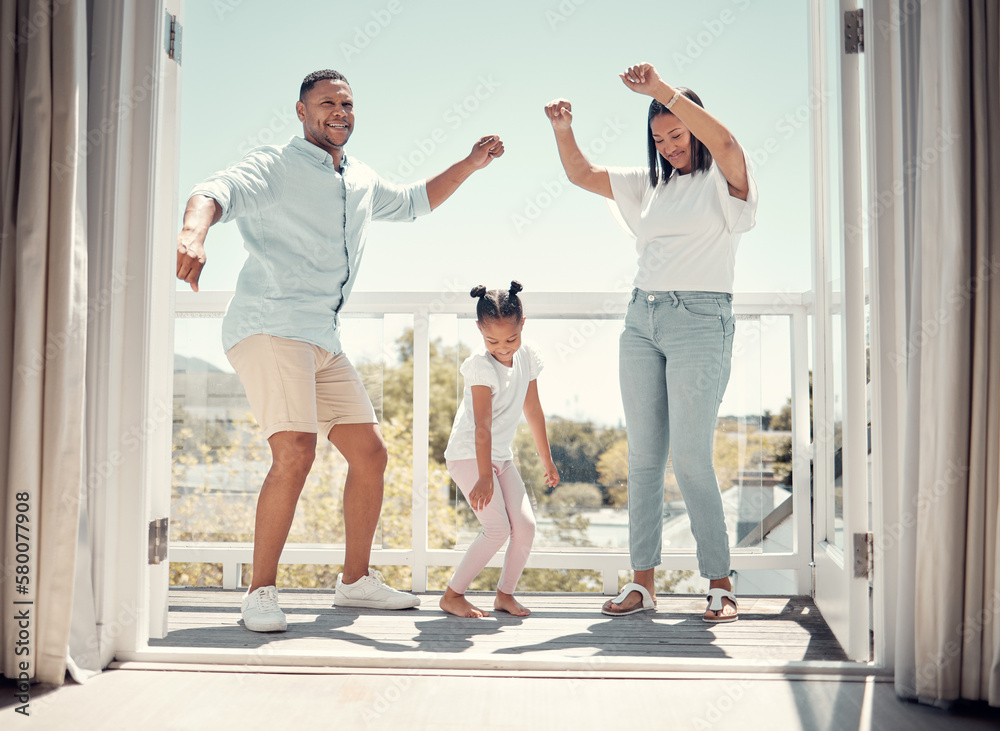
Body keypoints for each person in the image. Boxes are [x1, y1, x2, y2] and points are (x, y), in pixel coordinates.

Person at [175, 69, 505, 632]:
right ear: (302, 112)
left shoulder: (359, 177)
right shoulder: (276, 165)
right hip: (271, 325)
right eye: (326, 103)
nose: (339, 112)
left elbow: (416, 201)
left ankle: (354, 583)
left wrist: (470, 165)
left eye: (347, 103)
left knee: (370, 454)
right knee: (296, 450)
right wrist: (193, 233)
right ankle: (259, 593)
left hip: (321, 337)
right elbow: (214, 191)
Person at [544, 63, 757, 622]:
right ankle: (642, 584)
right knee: (643, 459)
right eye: (659, 139)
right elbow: (581, 175)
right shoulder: (649, 185)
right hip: (642, 319)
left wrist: (664, 91)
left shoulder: (726, 182)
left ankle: (719, 583)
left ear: (694, 129)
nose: (668, 148)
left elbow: (728, 141)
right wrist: (563, 129)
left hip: (700, 320)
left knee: (690, 459)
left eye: (677, 136)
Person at [439, 282, 560, 618]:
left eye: (510, 339)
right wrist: (483, 475)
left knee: (525, 527)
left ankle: (504, 595)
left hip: (500, 456)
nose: (503, 348)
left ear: (523, 324)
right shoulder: (479, 366)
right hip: (468, 455)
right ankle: (452, 595)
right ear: (479, 330)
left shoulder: (528, 356)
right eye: (492, 341)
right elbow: (482, 426)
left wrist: (546, 460)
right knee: (497, 529)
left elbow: (533, 409)